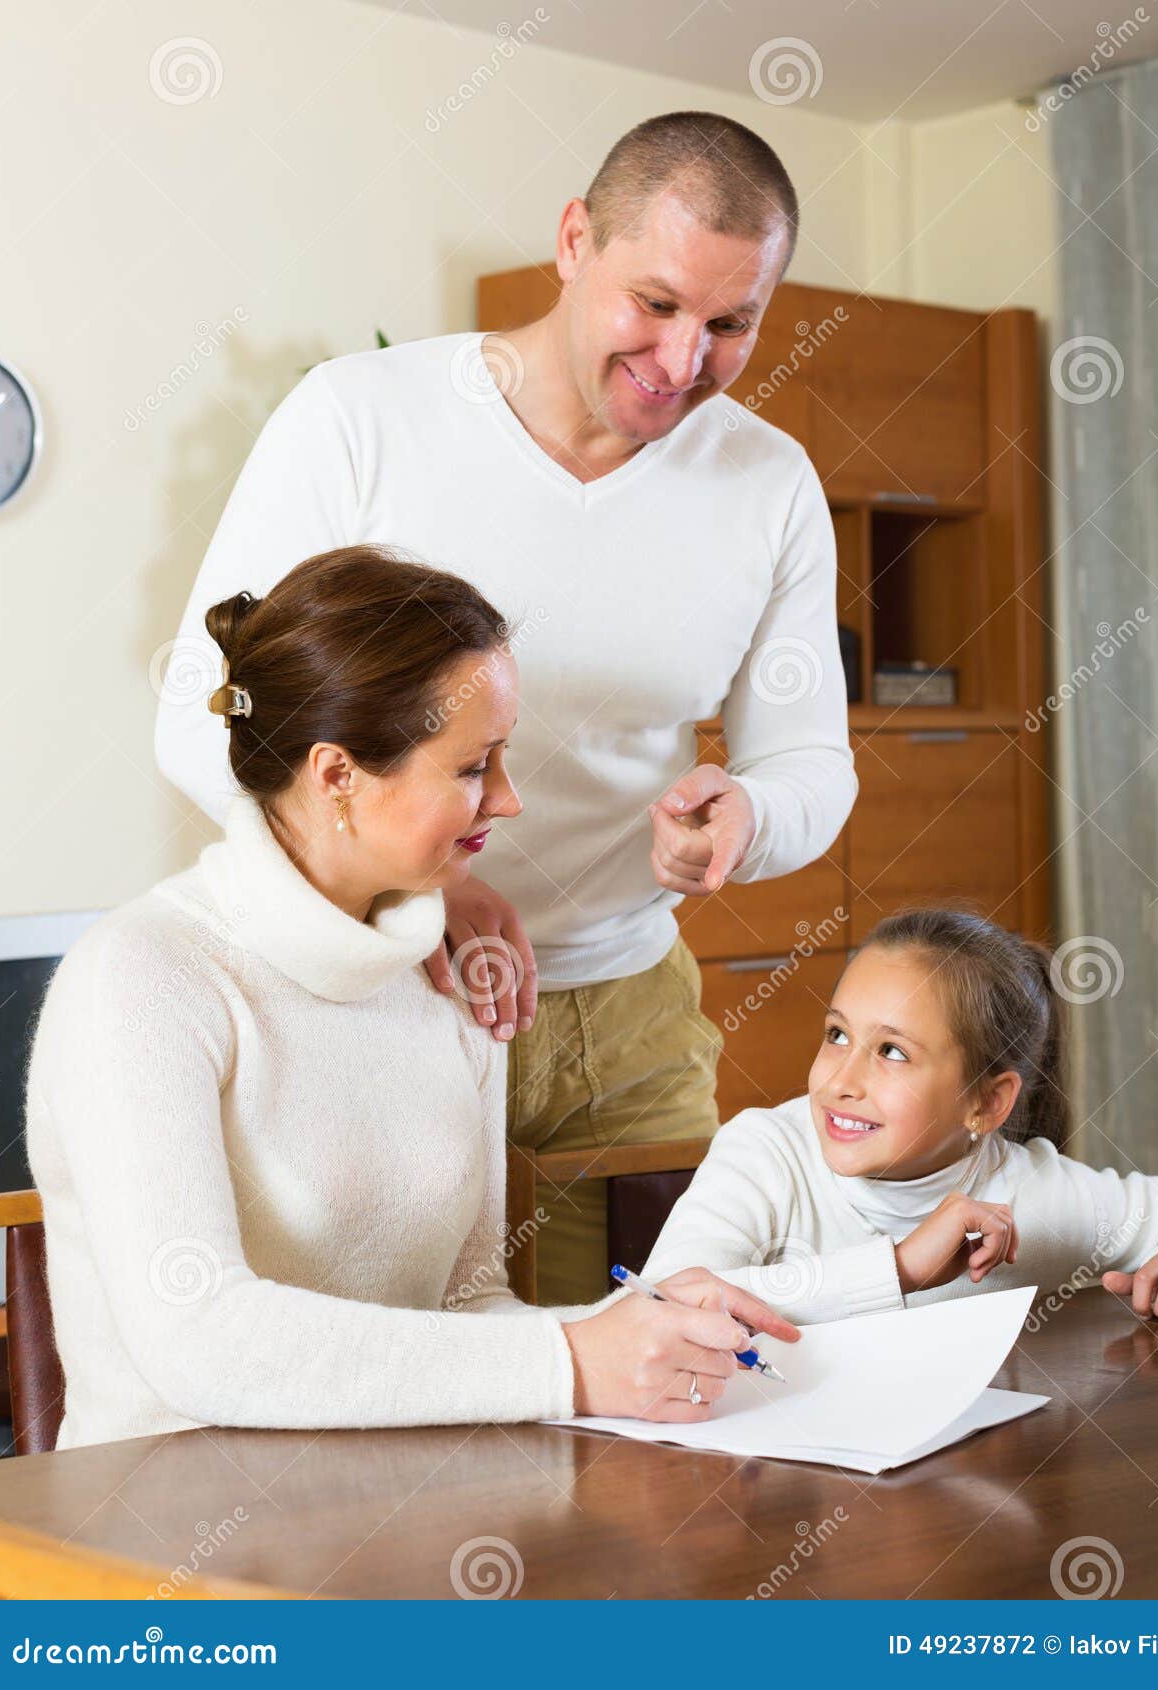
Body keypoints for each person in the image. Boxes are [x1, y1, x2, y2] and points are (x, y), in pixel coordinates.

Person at [154, 111, 857, 1302]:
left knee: (660, 1374)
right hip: (378, 997)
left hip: (631, 1023)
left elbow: (812, 766)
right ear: (575, 240)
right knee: (404, 1389)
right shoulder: (360, 419)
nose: (684, 361)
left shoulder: (768, 485)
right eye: (657, 303)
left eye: (732, 323)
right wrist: (419, 887)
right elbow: (199, 713)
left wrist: (745, 812)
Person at [26, 546, 798, 1451]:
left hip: (397, 1505)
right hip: (167, 1547)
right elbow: (198, 1341)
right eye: (474, 766)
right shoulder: (143, 978)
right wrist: (573, 1359)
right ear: (337, 773)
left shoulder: (450, 969)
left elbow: (467, 1302)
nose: (508, 801)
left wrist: (643, 1333)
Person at [643, 906, 1158, 1324]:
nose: (840, 1080)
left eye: (891, 1052)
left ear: (987, 1103)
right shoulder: (765, 1153)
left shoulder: (1028, 1192)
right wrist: (903, 1267)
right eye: (836, 1035)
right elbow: (668, 1300)